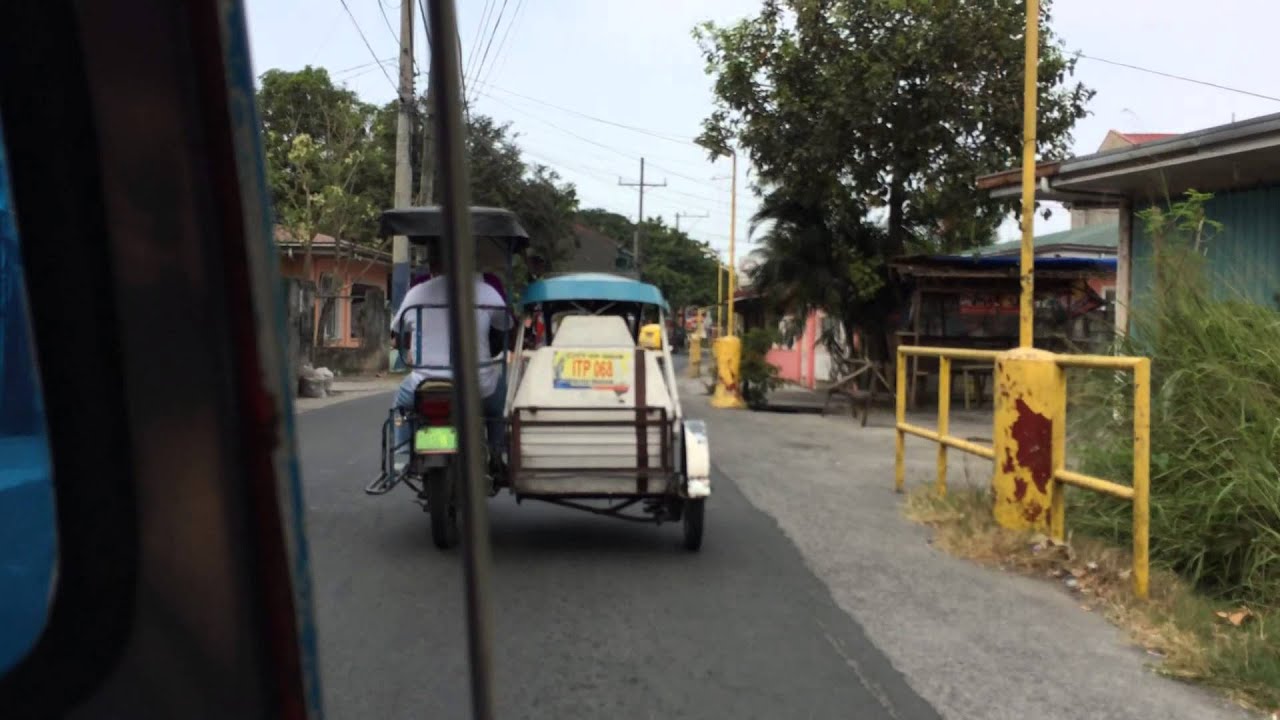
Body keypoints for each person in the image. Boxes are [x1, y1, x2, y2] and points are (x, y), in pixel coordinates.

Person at [390, 242, 513, 472]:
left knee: (400, 406)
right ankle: (498, 453)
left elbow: (397, 334)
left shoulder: (417, 292)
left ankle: (402, 455)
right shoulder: (486, 291)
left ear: (434, 265)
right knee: (499, 405)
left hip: (425, 383)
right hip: (478, 383)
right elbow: (505, 326)